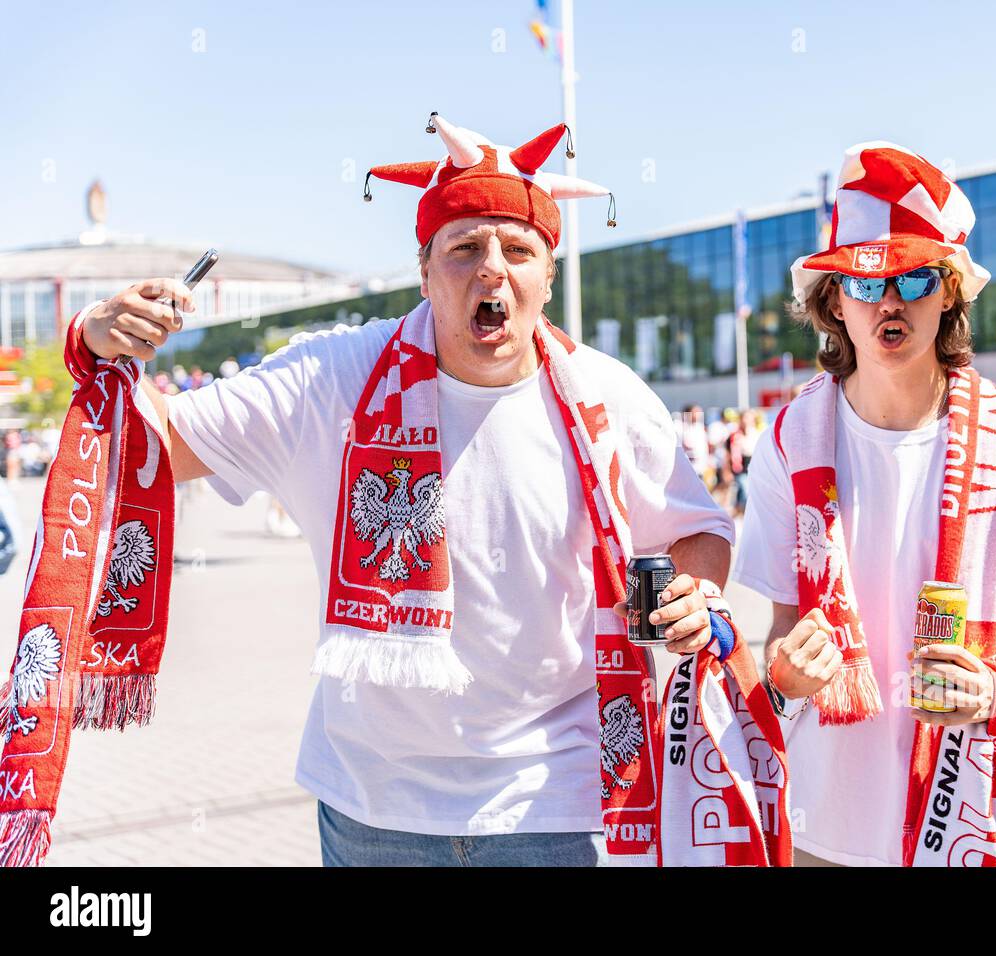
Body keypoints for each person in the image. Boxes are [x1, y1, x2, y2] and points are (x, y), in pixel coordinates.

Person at [70, 116, 738, 866]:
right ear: (424, 273)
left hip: (552, 799)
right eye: (463, 249)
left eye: (518, 250)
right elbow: (153, 448)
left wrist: (694, 589)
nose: (492, 269)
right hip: (371, 806)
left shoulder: (610, 398)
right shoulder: (331, 378)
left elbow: (701, 532)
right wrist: (96, 343)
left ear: (546, 277)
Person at [733, 141, 996, 866]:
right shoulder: (789, 438)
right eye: (867, 284)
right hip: (823, 817)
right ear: (836, 301)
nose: (890, 302)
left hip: (970, 810)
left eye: (915, 277)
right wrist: (788, 671)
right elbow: (782, 628)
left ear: (952, 293)